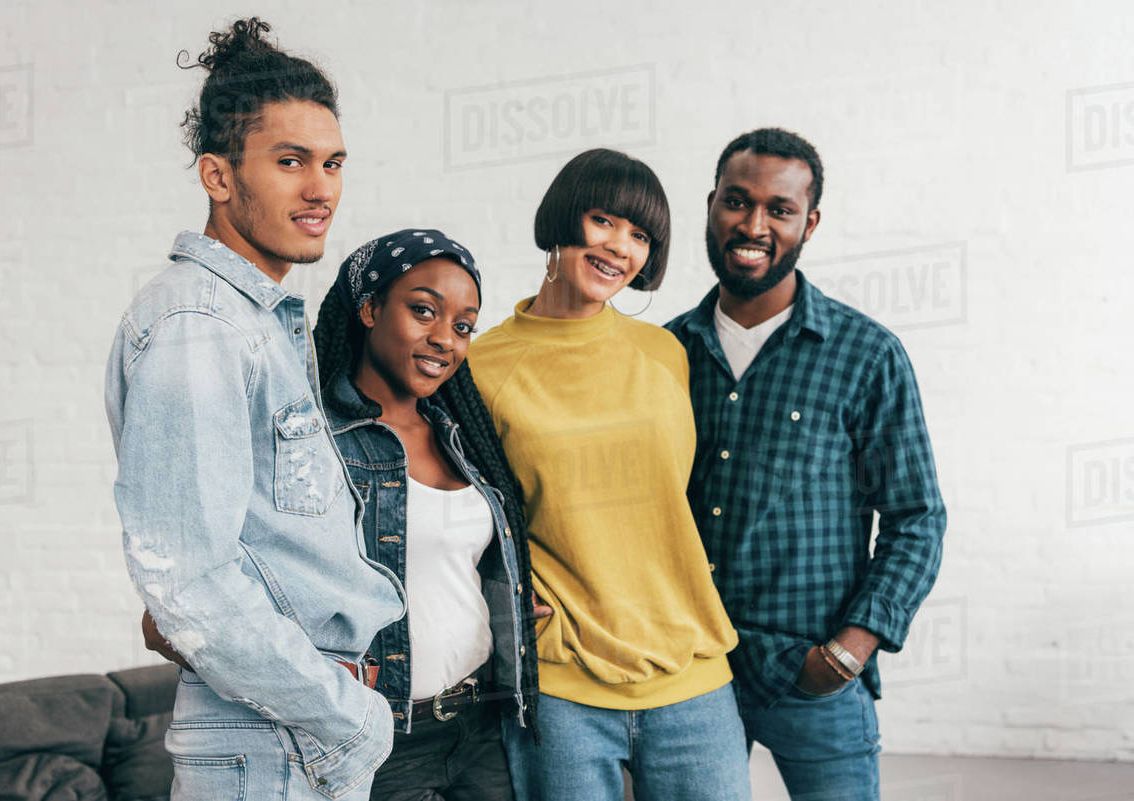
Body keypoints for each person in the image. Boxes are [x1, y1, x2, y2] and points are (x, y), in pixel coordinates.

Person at [105, 19, 403, 800]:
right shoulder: (197, 326)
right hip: (270, 740)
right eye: (290, 161)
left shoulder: (256, 319)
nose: (321, 189)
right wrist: (350, 718)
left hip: (287, 733)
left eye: (333, 163)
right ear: (217, 174)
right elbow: (190, 579)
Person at [664, 127, 947, 800]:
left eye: (779, 209)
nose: (753, 224)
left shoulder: (865, 354)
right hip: (689, 672)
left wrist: (850, 648)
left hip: (810, 672)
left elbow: (916, 516)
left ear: (809, 222)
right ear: (710, 206)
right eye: (736, 201)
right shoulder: (664, 353)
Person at [469, 148, 753, 801]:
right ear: (565, 219)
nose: (620, 247)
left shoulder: (665, 352)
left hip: (691, 669)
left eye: (640, 235)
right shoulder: (482, 367)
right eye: (604, 221)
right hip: (562, 681)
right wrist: (503, 596)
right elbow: (465, 511)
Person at [310, 229, 542, 800]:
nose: (445, 339)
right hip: (383, 736)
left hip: (480, 721)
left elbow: (458, 565)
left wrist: (510, 604)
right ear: (368, 308)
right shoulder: (315, 438)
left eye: (463, 326)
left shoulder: (462, 435)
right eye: (423, 311)